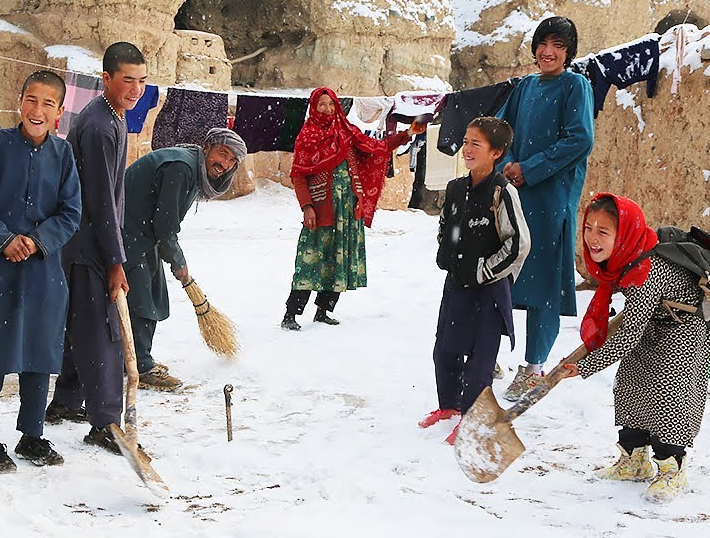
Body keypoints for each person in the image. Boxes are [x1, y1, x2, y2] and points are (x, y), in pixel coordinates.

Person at [0, 70, 82, 473]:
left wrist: (35, 240)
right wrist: (5, 238)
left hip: (43, 270)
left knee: (39, 350)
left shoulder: (63, 155)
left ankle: (32, 434)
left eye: (48, 103)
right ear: (19, 101)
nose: (37, 110)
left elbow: (71, 213)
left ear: (59, 112)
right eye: (31, 100)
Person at [560, 194, 709, 503]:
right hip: (653, 321)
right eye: (588, 228)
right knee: (631, 386)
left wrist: (585, 366)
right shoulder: (624, 259)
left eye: (603, 231)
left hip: (682, 329)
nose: (592, 238)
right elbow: (633, 323)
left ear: (623, 234)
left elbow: (628, 335)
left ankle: (672, 469)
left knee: (668, 396)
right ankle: (634, 461)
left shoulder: (644, 270)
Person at [46, 42, 147, 455]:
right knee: (101, 331)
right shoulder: (101, 125)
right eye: (128, 80)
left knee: (81, 322)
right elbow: (101, 200)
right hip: (88, 242)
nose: (136, 89)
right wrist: (115, 260)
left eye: (142, 81)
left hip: (85, 240)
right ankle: (105, 421)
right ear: (106, 79)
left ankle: (67, 399)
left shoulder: (111, 115)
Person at [497, 16, 595, 400]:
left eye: (557, 45)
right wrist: (507, 162)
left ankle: (533, 367)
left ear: (568, 52)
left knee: (543, 283)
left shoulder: (575, 86)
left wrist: (530, 168)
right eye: (543, 43)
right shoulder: (524, 87)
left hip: (551, 199)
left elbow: (579, 139)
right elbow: (500, 130)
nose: (548, 51)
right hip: (516, 196)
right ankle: (488, 352)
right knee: (499, 274)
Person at [420, 118, 529, 444]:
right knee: (446, 348)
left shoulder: (502, 193)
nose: (467, 149)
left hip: (488, 290)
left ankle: (471, 418)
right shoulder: (456, 188)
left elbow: (519, 243)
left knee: (480, 359)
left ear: (496, 152)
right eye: (466, 142)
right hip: (456, 283)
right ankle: (449, 405)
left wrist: (484, 271)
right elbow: (446, 226)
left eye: (475, 144)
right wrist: (447, 253)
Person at [281, 87, 424, 330]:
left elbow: (378, 147)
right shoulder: (307, 136)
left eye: (331, 104)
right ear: (313, 108)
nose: (327, 109)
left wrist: (408, 133)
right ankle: (290, 315)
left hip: (348, 210)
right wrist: (307, 207)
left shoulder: (347, 131)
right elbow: (299, 175)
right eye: (322, 105)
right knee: (310, 260)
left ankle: (323, 310)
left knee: (339, 259)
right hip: (321, 209)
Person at [122, 127, 248, 390]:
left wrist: (171, 253)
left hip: (140, 233)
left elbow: (164, 224)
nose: (224, 164)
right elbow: (166, 225)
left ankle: (135, 357)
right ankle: (141, 366)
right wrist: (178, 261)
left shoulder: (191, 165)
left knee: (153, 295)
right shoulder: (182, 168)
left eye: (231, 161)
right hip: (127, 233)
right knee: (142, 300)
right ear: (207, 147)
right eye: (222, 153)